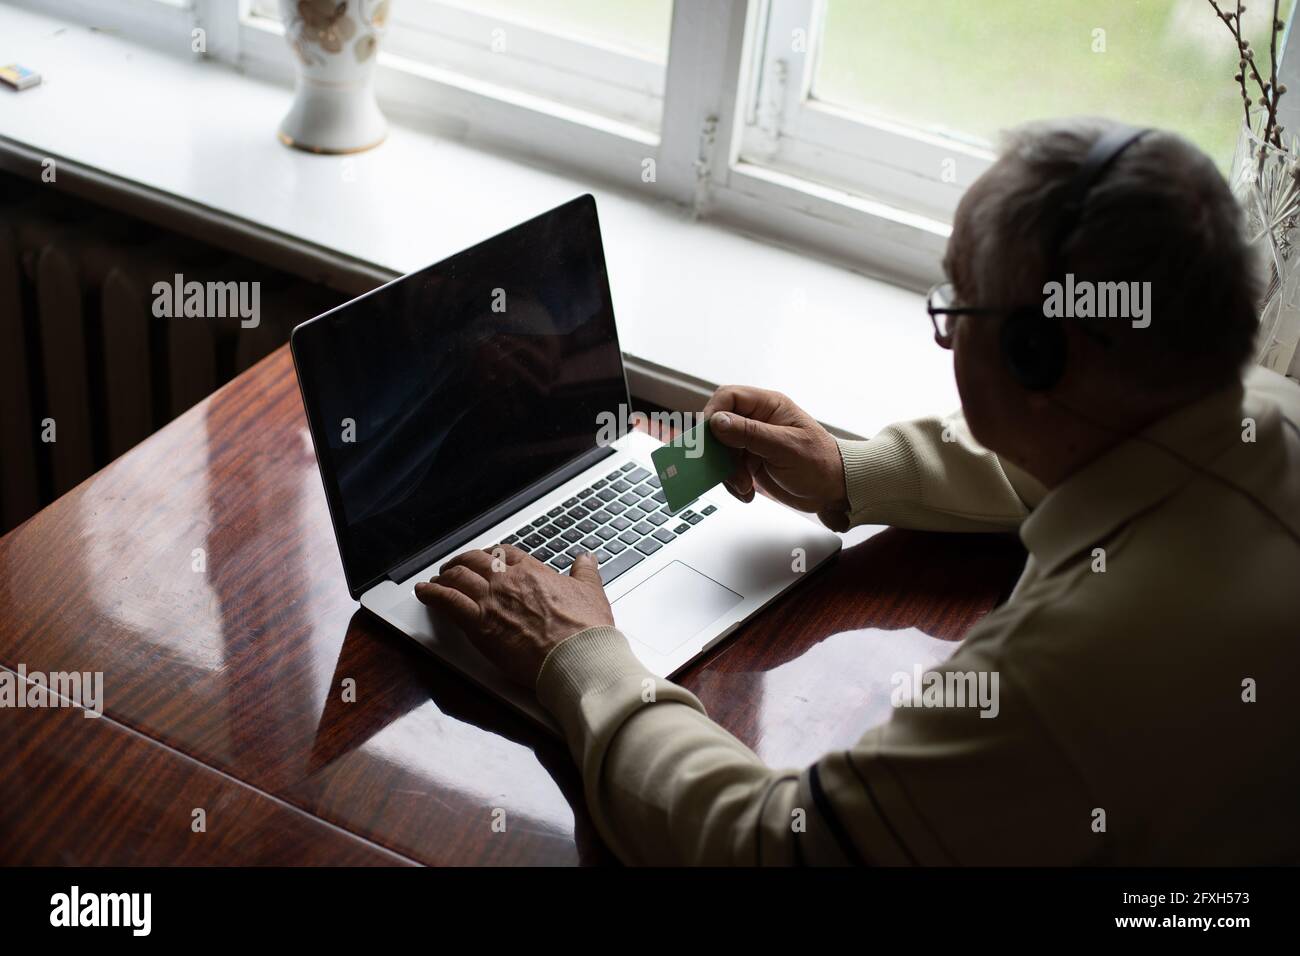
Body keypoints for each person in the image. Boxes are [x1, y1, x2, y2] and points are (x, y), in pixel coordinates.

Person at [416, 117, 1300, 864]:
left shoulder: (1057, 683)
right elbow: (1082, 449)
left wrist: (581, 658)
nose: (944, 335)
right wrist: (848, 470)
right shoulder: (1260, 413)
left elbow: (770, 845)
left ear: (1038, 355)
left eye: (957, 304)